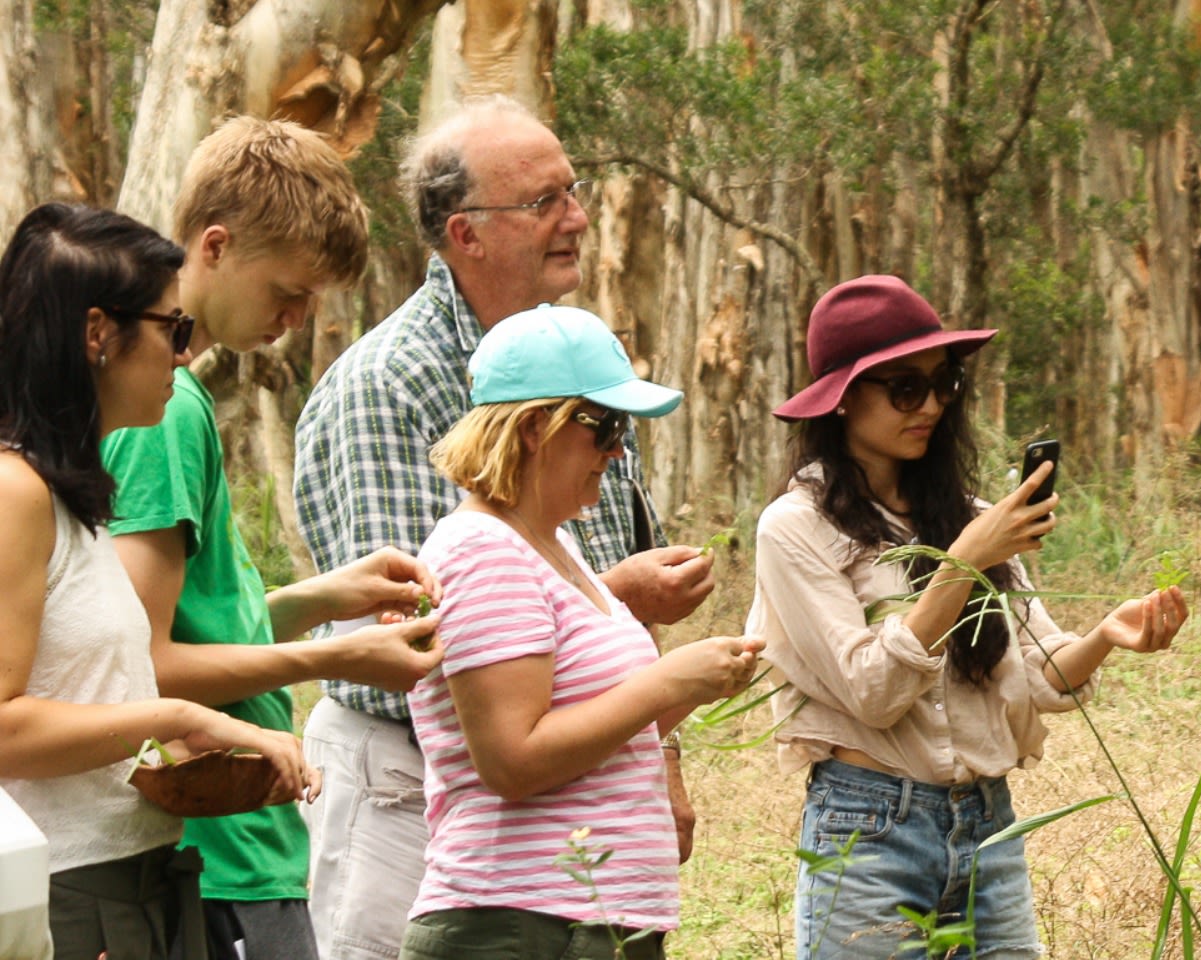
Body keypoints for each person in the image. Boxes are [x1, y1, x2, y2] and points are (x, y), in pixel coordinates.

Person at [291, 95, 714, 960]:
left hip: (567, 840)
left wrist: (654, 756)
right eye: (544, 201)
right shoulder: (387, 383)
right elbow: (411, 653)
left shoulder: (580, 377)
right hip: (412, 802)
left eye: (574, 190)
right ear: (466, 233)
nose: (578, 217)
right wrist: (614, 609)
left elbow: (584, 602)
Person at [748, 276, 1191, 960]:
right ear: (840, 400)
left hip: (987, 825)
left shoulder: (973, 516)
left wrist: (1107, 634)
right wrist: (961, 566)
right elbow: (872, 690)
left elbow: (1040, 677)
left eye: (944, 383)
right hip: (870, 827)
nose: (929, 405)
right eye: (904, 389)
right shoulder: (796, 528)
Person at [102, 116, 445, 960]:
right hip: (219, 859)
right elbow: (140, 663)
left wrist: (324, 601)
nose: (296, 317)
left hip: (241, 850)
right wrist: (334, 657)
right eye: (287, 290)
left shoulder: (166, 396)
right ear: (213, 247)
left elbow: (197, 624)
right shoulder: (163, 410)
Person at [0, 202, 314, 959]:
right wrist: (176, 719)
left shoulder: (75, 494)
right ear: (97, 334)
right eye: (171, 330)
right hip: (71, 893)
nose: (183, 354)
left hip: (143, 877)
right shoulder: (17, 493)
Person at [400, 305, 760, 960]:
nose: (618, 450)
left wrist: (701, 685)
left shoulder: (552, 546)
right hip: (520, 924)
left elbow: (592, 731)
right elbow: (511, 759)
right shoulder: (483, 550)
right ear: (536, 426)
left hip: (580, 922)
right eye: (606, 427)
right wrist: (663, 684)